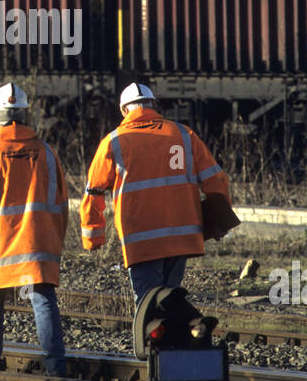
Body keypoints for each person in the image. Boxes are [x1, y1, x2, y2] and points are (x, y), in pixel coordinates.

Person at [80, 82, 231, 302]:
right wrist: (220, 222)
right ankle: (172, 336)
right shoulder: (184, 134)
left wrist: (92, 238)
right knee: (171, 300)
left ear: (124, 111)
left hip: (141, 240)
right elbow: (216, 180)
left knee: (148, 306)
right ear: (153, 105)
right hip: (181, 237)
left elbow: (93, 192)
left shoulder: (114, 142)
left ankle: (152, 336)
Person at [0, 83, 69, 377]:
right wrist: (53, 245)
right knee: (43, 302)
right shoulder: (47, 153)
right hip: (38, 249)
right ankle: (56, 367)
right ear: (23, 115)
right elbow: (62, 206)